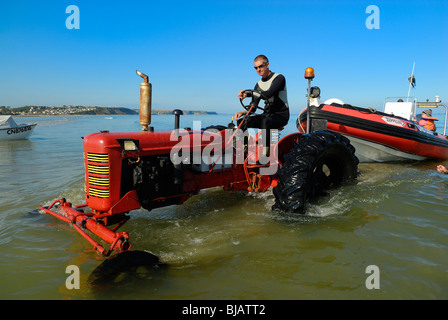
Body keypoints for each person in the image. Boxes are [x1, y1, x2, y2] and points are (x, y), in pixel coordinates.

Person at [233, 55, 289, 158]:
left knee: (265, 122)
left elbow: (268, 94)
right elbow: (253, 106)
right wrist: (243, 112)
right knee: (242, 121)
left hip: (280, 115)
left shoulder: (279, 78)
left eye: (261, 66)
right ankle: (242, 151)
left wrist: (248, 94)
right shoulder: (258, 85)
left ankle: (264, 156)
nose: (258, 70)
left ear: (267, 65)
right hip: (267, 114)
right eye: (256, 68)